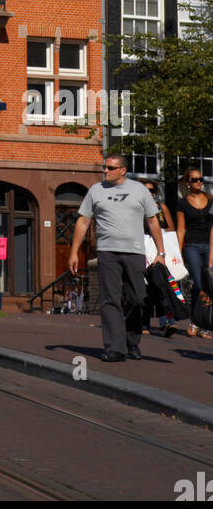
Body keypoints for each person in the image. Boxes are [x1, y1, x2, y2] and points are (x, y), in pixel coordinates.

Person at [69, 153, 167, 361]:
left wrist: (161, 253)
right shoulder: (96, 190)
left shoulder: (139, 190)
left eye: (111, 168)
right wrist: (74, 252)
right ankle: (115, 348)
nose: (106, 171)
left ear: (122, 170)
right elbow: (83, 222)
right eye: (105, 167)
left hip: (134, 252)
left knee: (138, 299)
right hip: (108, 252)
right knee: (110, 300)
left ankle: (132, 341)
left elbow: (152, 221)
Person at [141, 182, 178, 336]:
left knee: (162, 285)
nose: (149, 193)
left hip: (159, 249)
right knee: (145, 288)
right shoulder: (137, 208)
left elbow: (170, 230)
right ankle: (144, 323)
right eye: (145, 190)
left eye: (151, 190)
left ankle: (167, 322)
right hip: (143, 248)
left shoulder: (161, 208)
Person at [175, 167, 213, 312]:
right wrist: (178, 253)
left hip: (210, 244)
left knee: (209, 283)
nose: (198, 182)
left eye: (200, 179)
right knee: (197, 283)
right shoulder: (183, 203)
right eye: (194, 180)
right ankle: (195, 320)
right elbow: (181, 229)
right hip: (192, 245)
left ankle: (204, 323)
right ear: (187, 183)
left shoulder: (210, 199)